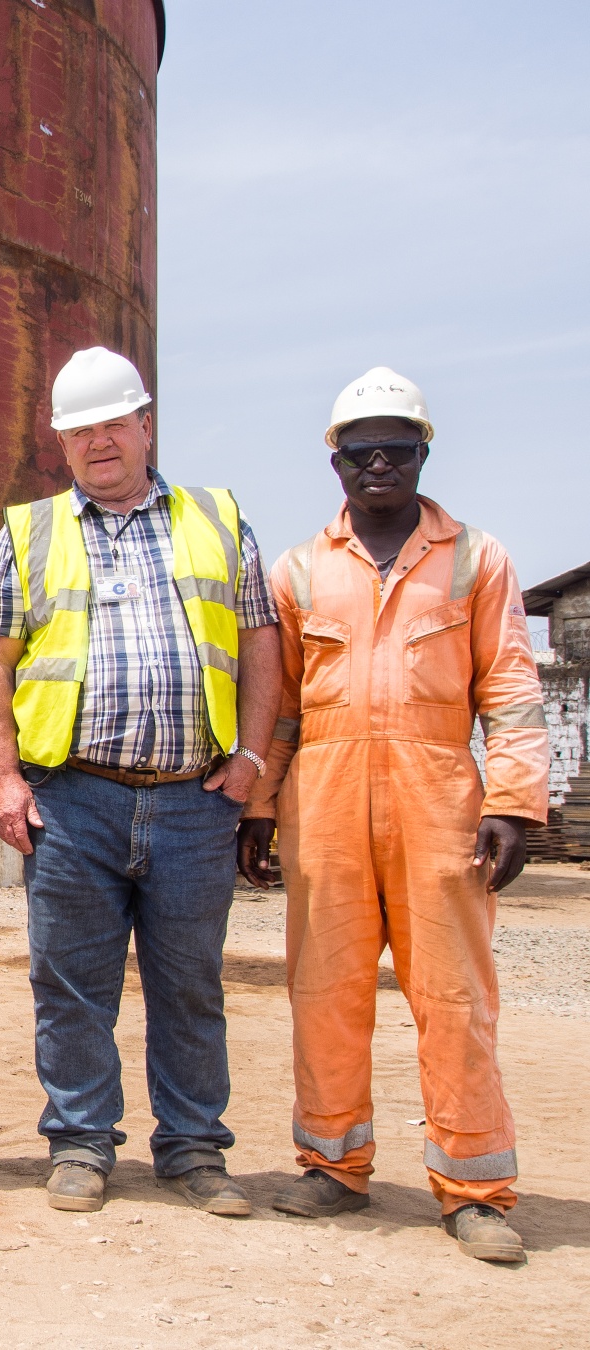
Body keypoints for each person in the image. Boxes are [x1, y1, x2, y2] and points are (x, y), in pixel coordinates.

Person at [236, 368, 547, 1263]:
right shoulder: (298, 570)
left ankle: (474, 1190)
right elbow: (280, 707)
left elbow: (510, 688)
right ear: (334, 461)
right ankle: (333, 1166)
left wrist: (514, 804)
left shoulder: (476, 560)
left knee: (454, 997)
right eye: (361, 450)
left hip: (437, 796)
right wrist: (259, 810)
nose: (379, 463)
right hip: (325, 799)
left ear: (423, 453)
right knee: (324, 992)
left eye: (396, 448)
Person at [0, 347, 280, 1216]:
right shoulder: (30, 532)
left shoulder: (217, 518)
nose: (99, 442)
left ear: (147, 426)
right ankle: (80, 1142)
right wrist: (4, 778)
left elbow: (260, 640)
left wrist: (252, 760)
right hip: (73, 798)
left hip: (193, 799)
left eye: (114, 424)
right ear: (60, 443)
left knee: (190, 985)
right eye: (80, 431)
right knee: (71, 986)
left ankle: (193, 1150)